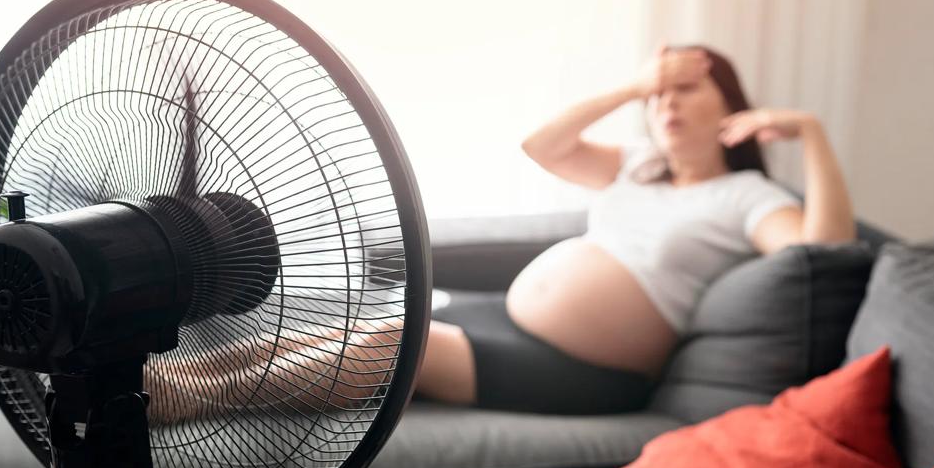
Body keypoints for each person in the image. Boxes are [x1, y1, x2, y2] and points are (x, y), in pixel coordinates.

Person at [145, 45, 855, 423]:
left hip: (588, 373)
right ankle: (168, 377)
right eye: (661, 94)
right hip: (513, 322)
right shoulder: (638, 166)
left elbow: (820, 256)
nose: (667, 104)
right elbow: (540, 146)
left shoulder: (747, 195)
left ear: (731, 105)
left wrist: (812, 135)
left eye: (686, 89)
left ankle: (193, 401)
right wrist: (634, 86)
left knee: (390, 348)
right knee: (370, 319)